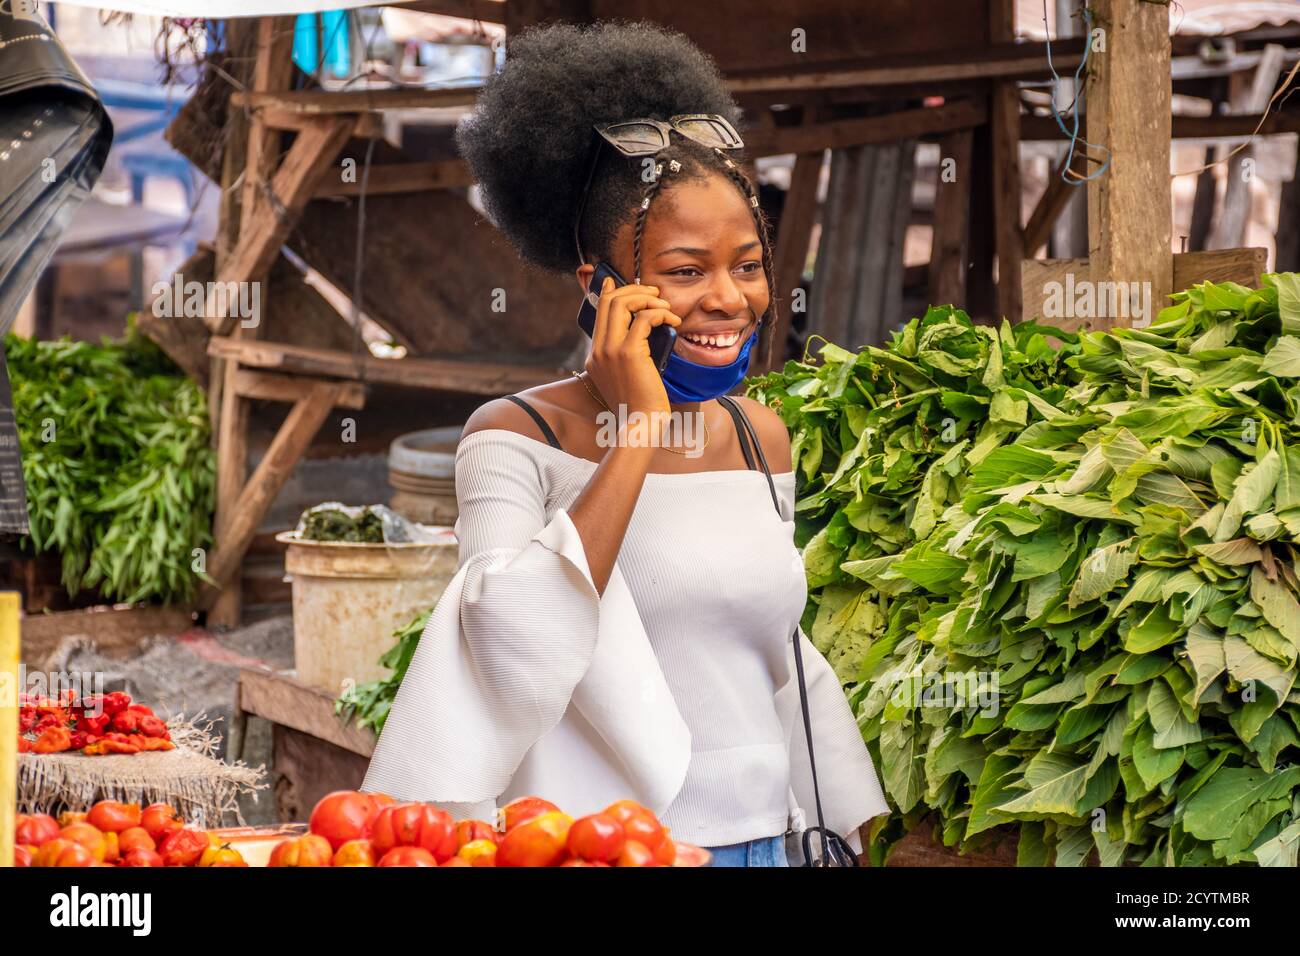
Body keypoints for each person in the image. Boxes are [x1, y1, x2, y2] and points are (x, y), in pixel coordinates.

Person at [361, 20, 887, 867]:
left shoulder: (761, 437)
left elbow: (780, 660)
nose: (728, 299)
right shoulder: (513, 439)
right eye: (685, 271)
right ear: (598, 287)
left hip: (772, 845)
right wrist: (636, 429)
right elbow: (508, 650)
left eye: (747, 265)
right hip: (607, 849)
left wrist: (852, 828)